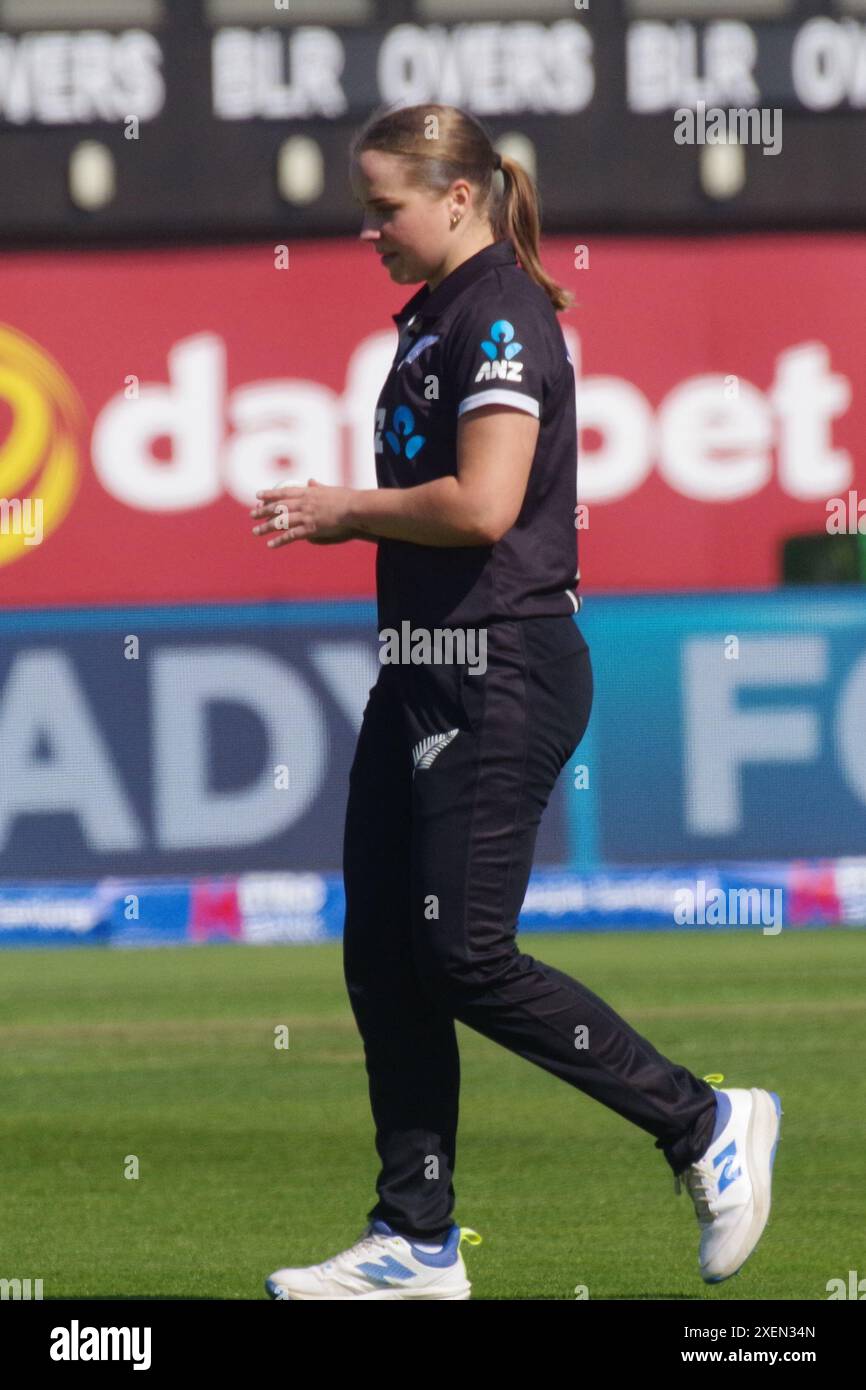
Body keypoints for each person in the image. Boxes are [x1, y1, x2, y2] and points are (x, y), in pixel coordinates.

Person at [250, 103, 782, 1301]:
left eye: (383, 206)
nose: (368, 229)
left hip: (500, 662)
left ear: (457, 197)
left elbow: (487, 504)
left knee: (461, 952)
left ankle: (702, 1122)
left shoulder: (497, 309)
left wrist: (344, 508)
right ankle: (415, 1241)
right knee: (385, 953)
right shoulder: (437, 315)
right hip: (425, 665)